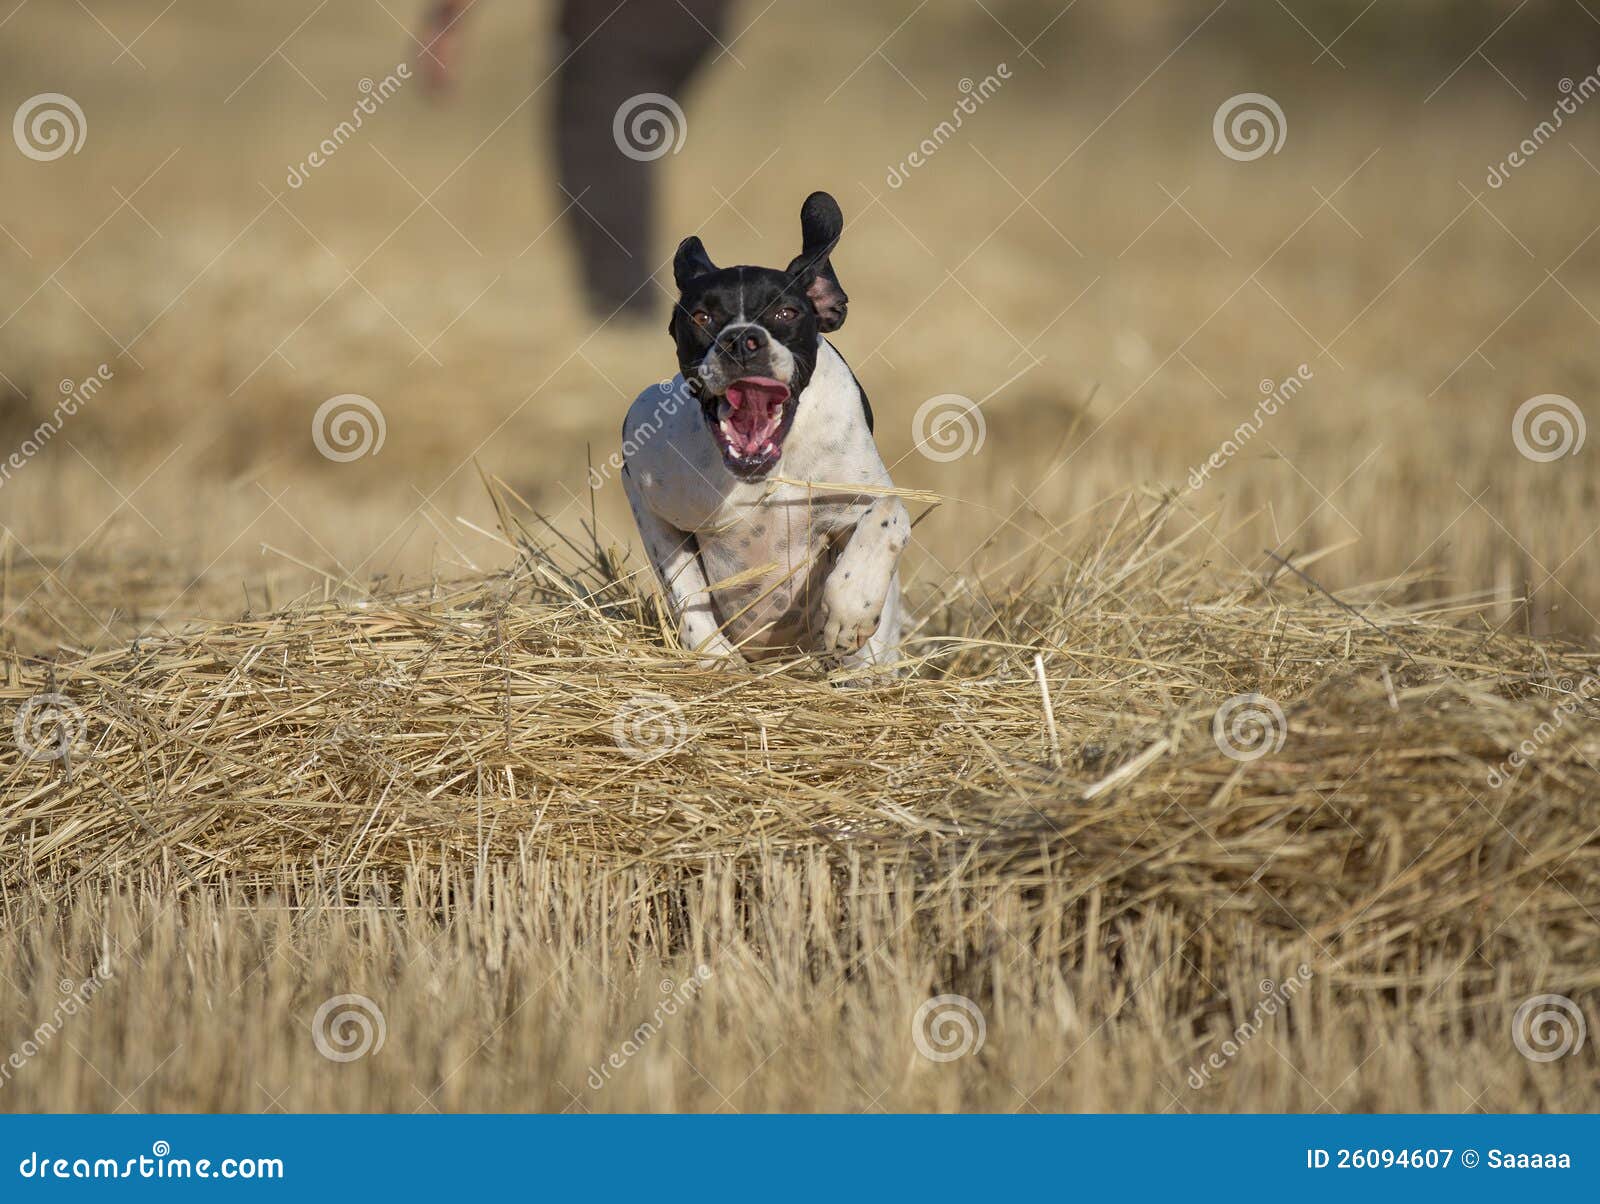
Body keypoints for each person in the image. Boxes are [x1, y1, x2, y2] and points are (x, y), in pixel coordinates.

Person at [418, 0, 732, 319]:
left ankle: (625, 314)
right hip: (699, 17)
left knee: (599, 155)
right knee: (617, 145)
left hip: (623, 19)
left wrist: (447, 19)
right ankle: (628, 309)